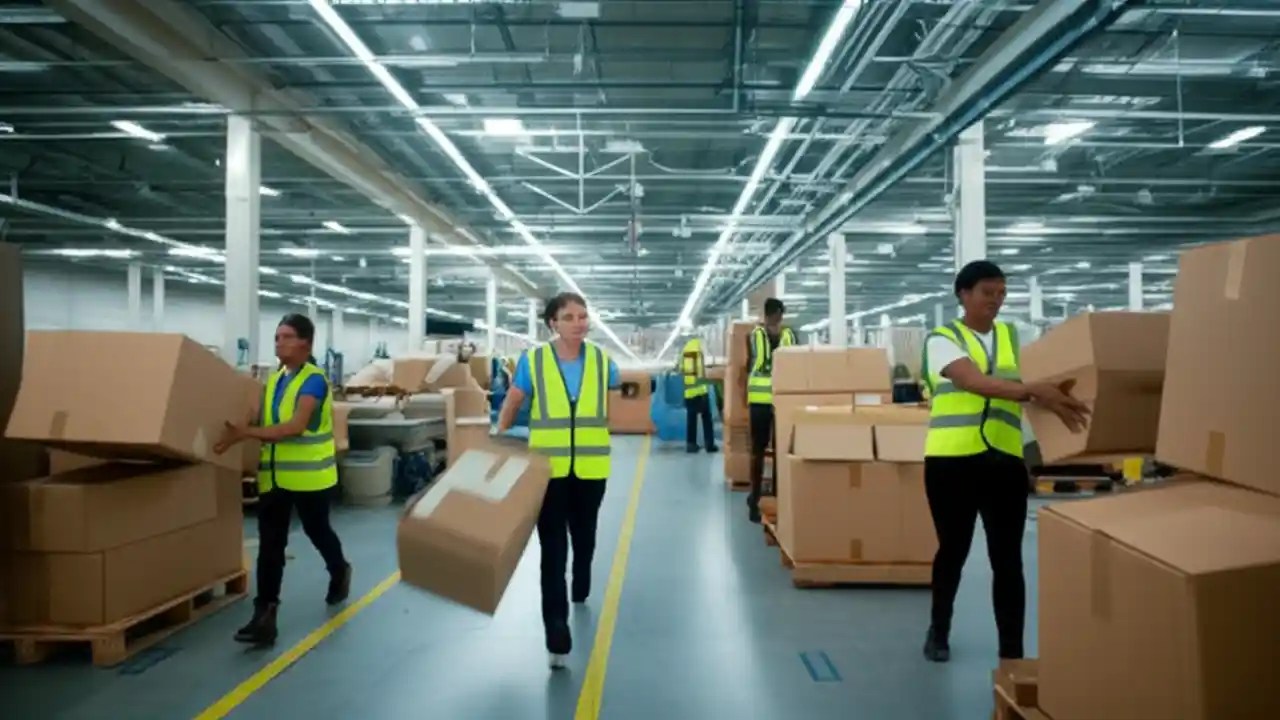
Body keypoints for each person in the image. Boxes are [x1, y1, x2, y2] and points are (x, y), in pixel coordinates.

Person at [920, 260, 1088, 663]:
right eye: (986, 293)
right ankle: (938, 631)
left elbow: (1051, 380)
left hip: (1005, 463)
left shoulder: (1014, 339)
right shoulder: (942, 338)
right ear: (963, 294)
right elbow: (972, 382)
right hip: (951, 463)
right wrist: (1033, 390)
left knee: (1008, 561)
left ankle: (1012, 652)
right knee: (953, 552)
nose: (995, 302)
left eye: (1001, 294)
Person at [496, 292, 621, 670]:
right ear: (552, 323)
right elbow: (514, 400)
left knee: (584, 539)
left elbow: (607, 407)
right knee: (553, 551)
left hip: (591, 470)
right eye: (569, 317)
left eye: (583, 316)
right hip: (546, 473)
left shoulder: (603, 362)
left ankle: (581, 582)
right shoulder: (533, 361)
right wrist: (499, 437)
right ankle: (557, 632)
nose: (579, 323)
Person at [215, 313, 352, 647]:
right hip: (274, 478)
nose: (279, 343)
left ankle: (339, 569)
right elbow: (262, 413)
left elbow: (296, 426)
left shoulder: (314, 380)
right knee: (271, 546)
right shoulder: (276, 379)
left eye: (287, 337)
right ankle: (264, 617)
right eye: (276, 337)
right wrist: (241, 420)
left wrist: (245, 433)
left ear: (305, 342)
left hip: (311, 479)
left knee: (317, 530)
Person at [745, 298, 796, 523]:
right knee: (761, 451)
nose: (779, 319)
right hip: (764, 401)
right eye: (778, 315)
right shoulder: (758, 335)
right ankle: (756, 499)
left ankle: (772, 498)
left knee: (775, 451)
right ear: (774, 314)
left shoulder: (786, 336)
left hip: (777, 402)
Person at [678, 334, 718, 454]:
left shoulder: (684, 351)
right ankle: (709, 444)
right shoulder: (698, 351)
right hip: (699, 390)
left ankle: (691, 444)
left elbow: (681, 369)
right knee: (707, 418)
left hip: (689, 391)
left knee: (691, 419)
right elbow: (700, 372)